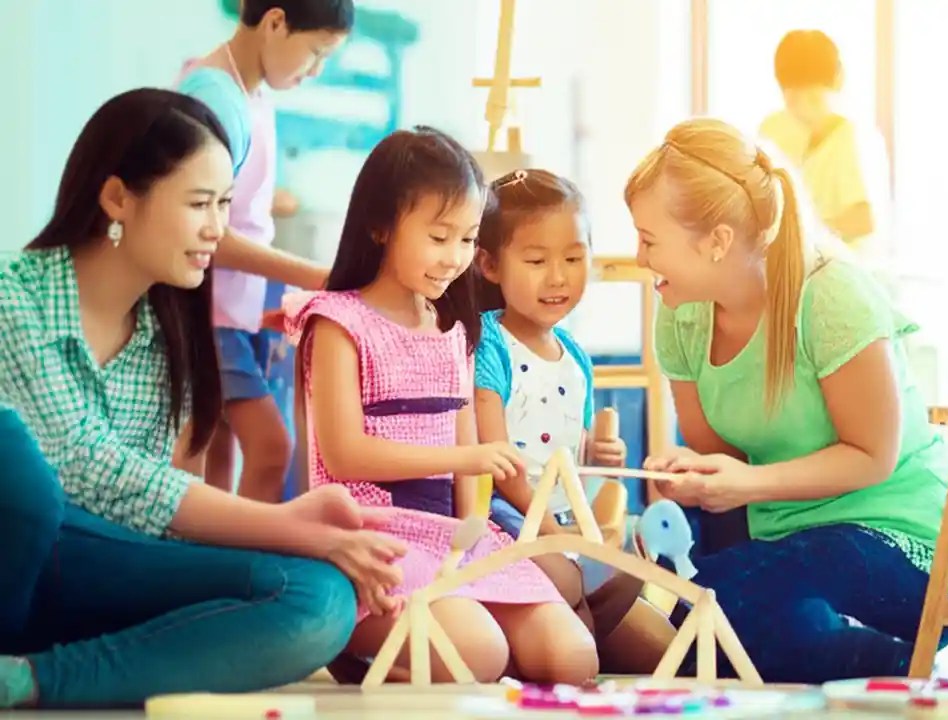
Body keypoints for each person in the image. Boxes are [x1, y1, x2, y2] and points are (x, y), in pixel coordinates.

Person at [0, 88, 405, 709]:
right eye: (199, 203)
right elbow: (85, 470)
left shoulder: (171, 337)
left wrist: (294, 540)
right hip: (18, 556)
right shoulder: (12, 298)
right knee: (20, 472)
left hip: (84, 578)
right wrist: (289, 526)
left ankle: (33, 678)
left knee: (317, 599)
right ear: (117, 198)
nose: (218, 229)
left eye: (224, 203)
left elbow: (142, 520)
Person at [625, 117, 948, 684]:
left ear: (716, 242)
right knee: (705, 608)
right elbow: (721, 453)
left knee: (724, 601)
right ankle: (834, 650)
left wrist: (742, 485)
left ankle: (891, 662)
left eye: (649, 241)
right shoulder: (680, 313)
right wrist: (696, 474)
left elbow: (873, 456)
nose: (640, 257)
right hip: (785, 544)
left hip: (909, 547)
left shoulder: (832, 294)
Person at [285, 127, 598, 685]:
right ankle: (355, 647)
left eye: (466, 240)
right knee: (479, 653)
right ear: (380, 226)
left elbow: (464, 468)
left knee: (573, 658)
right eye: (438, 237)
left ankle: (412, 647)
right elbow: (346, 454)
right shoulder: (337, 322)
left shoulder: (454, 328)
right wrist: (468, 460)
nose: (454, 259)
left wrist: (476, 531)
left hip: (449, 538)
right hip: (370, 537)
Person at [472, 168, 675, 673]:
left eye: (574, 258)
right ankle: (556, 645)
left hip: (561, 518)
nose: (559, 277)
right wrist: (553, 534)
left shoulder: (577, 358)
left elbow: (570, 458)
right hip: (507, 516)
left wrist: (599, 458)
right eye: (537, 261)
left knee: (632, 580)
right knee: (568, 582)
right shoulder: (489, 343)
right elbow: (500, 460)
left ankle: (577, 634)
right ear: (490, 265)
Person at [177, 0, 353, 502]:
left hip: (231, 308)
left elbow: (235, 208)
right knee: (271, 447)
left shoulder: (246, 90)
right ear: (276, 22)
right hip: (205, 310)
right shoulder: (214, 95)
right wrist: (313, 276)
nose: (316, 71)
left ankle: (214, 564)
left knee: (221, 447)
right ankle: (246, 565)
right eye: (315, 52)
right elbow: (201, 230)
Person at [758, 29, 892, 278]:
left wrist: (801, 234)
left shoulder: (852, 133)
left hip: (854, 277)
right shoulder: (774, 131)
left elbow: (864, 219)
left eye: (813, 98)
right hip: (805, 273)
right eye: (793, 97)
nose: (802, 107)